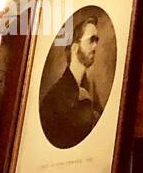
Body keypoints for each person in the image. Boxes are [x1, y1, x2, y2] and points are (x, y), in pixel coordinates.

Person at [39, 14, 106, 149]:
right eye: (91, 40)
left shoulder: (91, 92)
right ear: (75, 48)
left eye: (97, 40)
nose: (95, 47)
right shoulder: (54, 98)